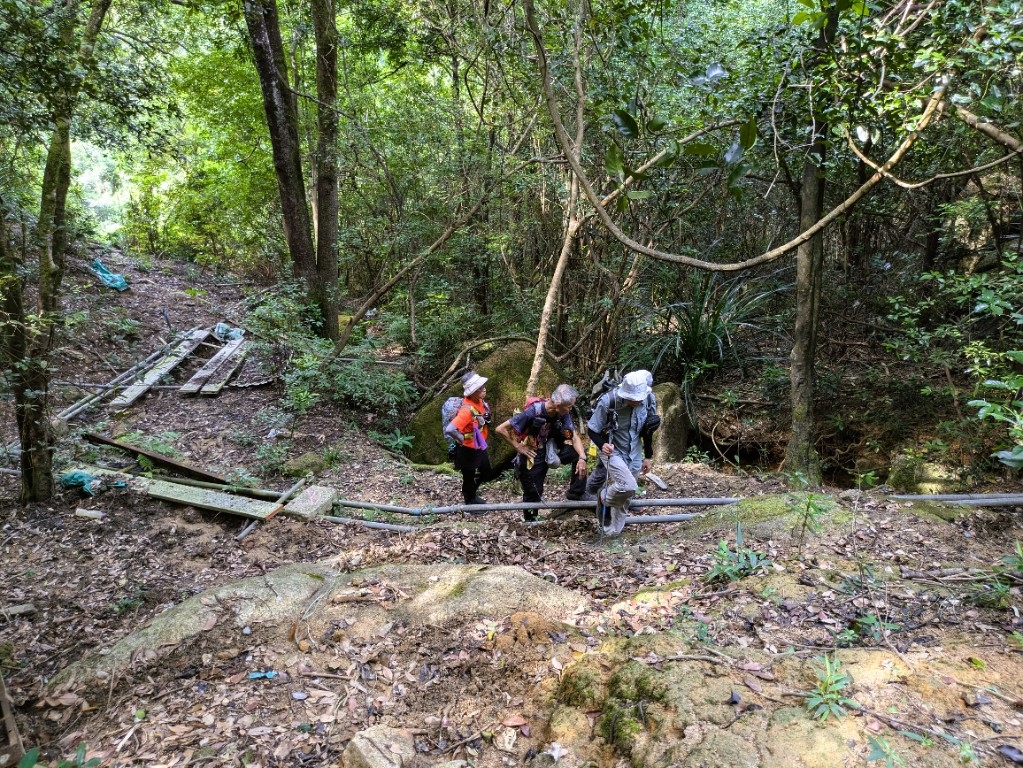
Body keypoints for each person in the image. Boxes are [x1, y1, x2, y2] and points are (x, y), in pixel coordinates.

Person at [495, 384, 588, 522]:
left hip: (552, 447)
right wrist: (518, 447)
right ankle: (531, 522)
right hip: (533, 452)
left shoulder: (563, 413)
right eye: (569, 407)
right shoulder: (533, 411)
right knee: (533, 492)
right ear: (557, 404)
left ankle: (576, 494)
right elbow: (500, 429)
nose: (570, 409)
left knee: (579, 453)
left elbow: (573, 436)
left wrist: (582, 458)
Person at [584, 369, 661, 536]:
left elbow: (648, 431)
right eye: (632, 399)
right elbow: (592, 429)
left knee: (626, 497)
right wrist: (602, 445)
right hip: (612, 450)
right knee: (629, 486)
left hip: (635, 451)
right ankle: (604, 496)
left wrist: (648, 456)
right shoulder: (608, 401)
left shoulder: (649, 399)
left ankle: (612, 533)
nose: (635, 402)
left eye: (638, 399)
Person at [444, 371, 496, 505]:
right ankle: (470, 500)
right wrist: (461, 438)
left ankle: (471, 491)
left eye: (483, 386)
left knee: (486, 471)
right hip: (467, 449)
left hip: (479, 444)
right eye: (480, 388)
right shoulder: (466, 411)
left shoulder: (480, 401)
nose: (484, 389)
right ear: (472, 391)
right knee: (468, 476)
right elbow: (450, 429)